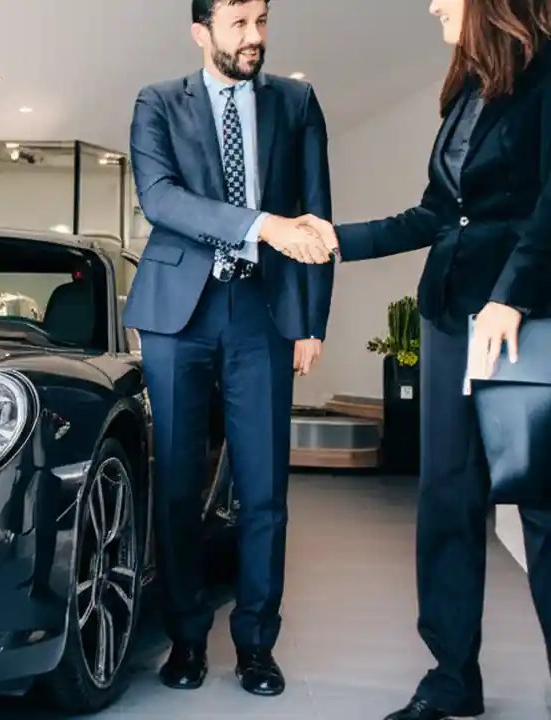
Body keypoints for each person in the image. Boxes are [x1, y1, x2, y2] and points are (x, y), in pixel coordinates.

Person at [296, 1, 551, 717]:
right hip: (448, 315)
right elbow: (438, 214)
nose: (433, 4)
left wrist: (513, 296)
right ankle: (451, 676)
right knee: (446, 496)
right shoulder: (468, 89)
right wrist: (337, 238)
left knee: (541, 504)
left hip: (522, 322)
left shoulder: (547, 73)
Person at [124, 0, 336, 698]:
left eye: (262, 22)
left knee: (264, 489)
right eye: (239, 24)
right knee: (179, 485)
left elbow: (314, 214)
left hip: (262, 314)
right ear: (201, 31)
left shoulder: (297, 102)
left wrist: (312, 321)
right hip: (176, 314)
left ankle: (255, 646)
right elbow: (161, 199)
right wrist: (262, 225)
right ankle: (186, 639)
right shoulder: (157, 102)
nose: (254, 38)